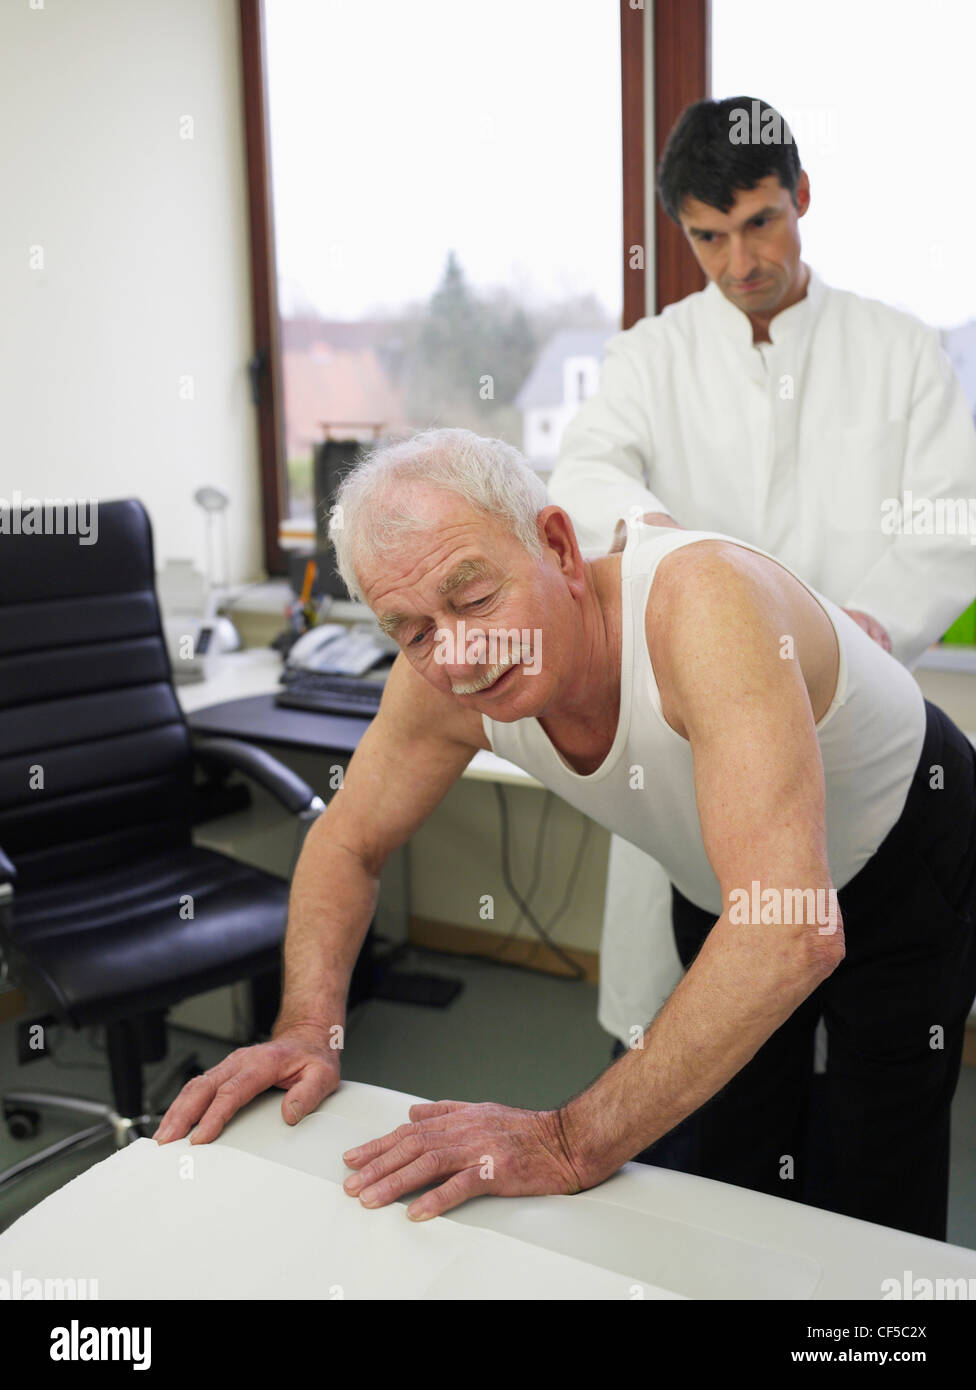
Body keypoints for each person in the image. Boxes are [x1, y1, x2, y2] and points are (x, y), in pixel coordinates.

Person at [153, 429, 976, 1241]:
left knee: (880, 1158)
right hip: (725, 882)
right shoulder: (435, 676)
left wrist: (568, 1141)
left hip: (905, 841)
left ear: (558, 547)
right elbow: (347, 842)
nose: (461, 652)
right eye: (411, 630)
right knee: (735, 1143)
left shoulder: (704, 604)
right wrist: (305, 1030)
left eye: (476, 598)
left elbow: (789, 931)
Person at [547, 95, 976, 1057]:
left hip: (858, 718)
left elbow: (958, 513)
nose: (741, 263)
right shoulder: (651, 355)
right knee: (709, 1062)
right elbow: (582, 475)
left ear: (802, 197)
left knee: (875, 1058)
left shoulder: (899, 349)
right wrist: (657, 538)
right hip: (697, 737)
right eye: (708, 238)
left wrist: (868, 624)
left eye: (760, 223)